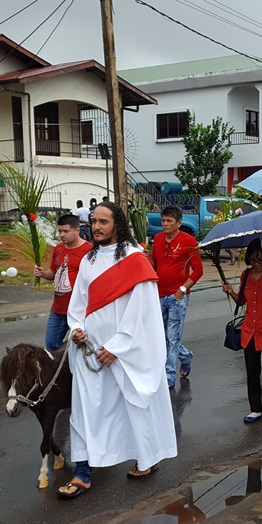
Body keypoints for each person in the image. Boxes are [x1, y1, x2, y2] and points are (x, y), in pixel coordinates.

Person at [59, 201, 178, 498]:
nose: (97, 227)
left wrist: (116, 347)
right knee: (85, 411)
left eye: (104, 222)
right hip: (90, 352)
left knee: (133, 409)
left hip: (122, 353)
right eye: (94, 222)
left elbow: (141, 314)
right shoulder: (88, 259)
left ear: (117, 225)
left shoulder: (136, 259)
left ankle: (147, 459)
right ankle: (83, 472)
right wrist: (76, 329)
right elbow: (78, 304)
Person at [221, 238, 262, 423]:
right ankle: (256, 410)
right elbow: (242, 301)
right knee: (252, 372)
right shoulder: (246, 275)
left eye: (261, 260)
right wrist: (231, 291)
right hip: (249, 329)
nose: (257, 264)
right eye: (253, 259)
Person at [149, 205, 204, 388]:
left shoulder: (189, 240)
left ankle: (169, 375)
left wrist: (182, 289)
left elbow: (198, 271)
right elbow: (154, 264)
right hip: (159, 294)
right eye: (163, 220)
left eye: (169, 221)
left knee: (172, 336)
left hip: (177, 297)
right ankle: (186, 356)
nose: (165, 224)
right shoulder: (156, 239)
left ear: (178, 223)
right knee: (162, 336)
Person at [33, 213, 92, 350]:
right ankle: (65, 359)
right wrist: (43, 274)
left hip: (79, 310)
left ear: (77, 230)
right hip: (58, 308)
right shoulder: (58, 248)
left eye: (66, 231)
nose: (62, 235)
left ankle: (72, 363)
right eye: (60, 231)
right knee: (51, 344)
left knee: (83, 345)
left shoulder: (89, 251)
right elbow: (53, 273)